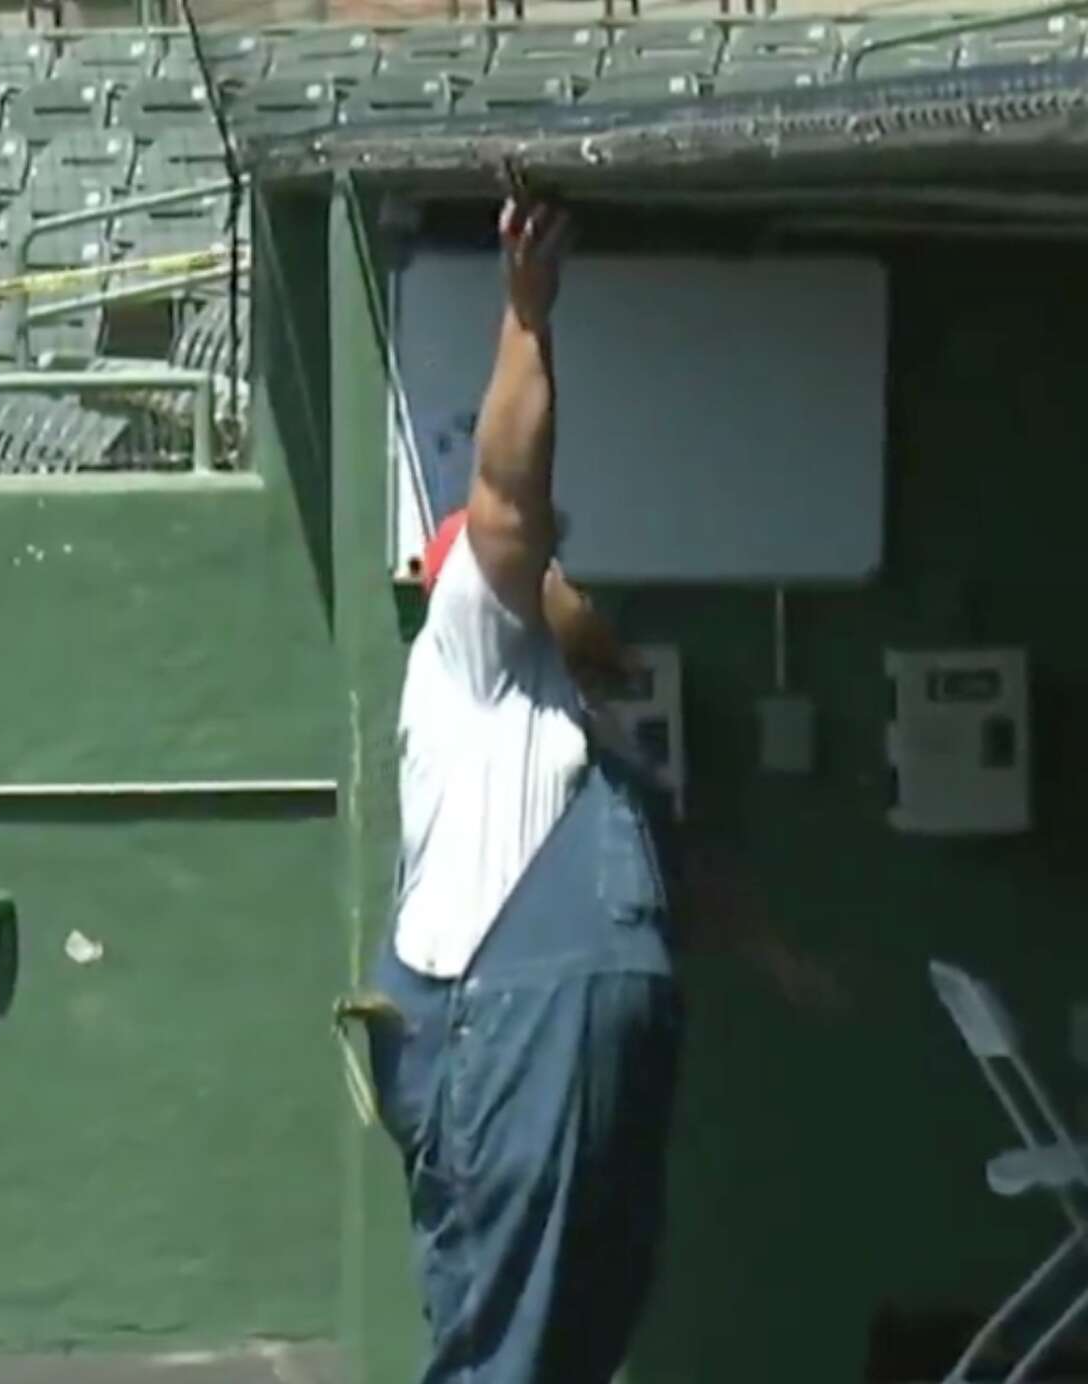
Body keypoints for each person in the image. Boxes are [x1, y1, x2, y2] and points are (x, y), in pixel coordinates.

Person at [362, 195, 838, 1384]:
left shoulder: (578, 734)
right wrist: (530, 317)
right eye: (548, 563)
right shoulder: (471, 648)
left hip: (577, 1053)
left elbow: (687, 877)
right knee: (505, 1344)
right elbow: (512, 500)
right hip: (502, 1030)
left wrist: (781, 959)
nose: (567, 569)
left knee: (578, 1336)